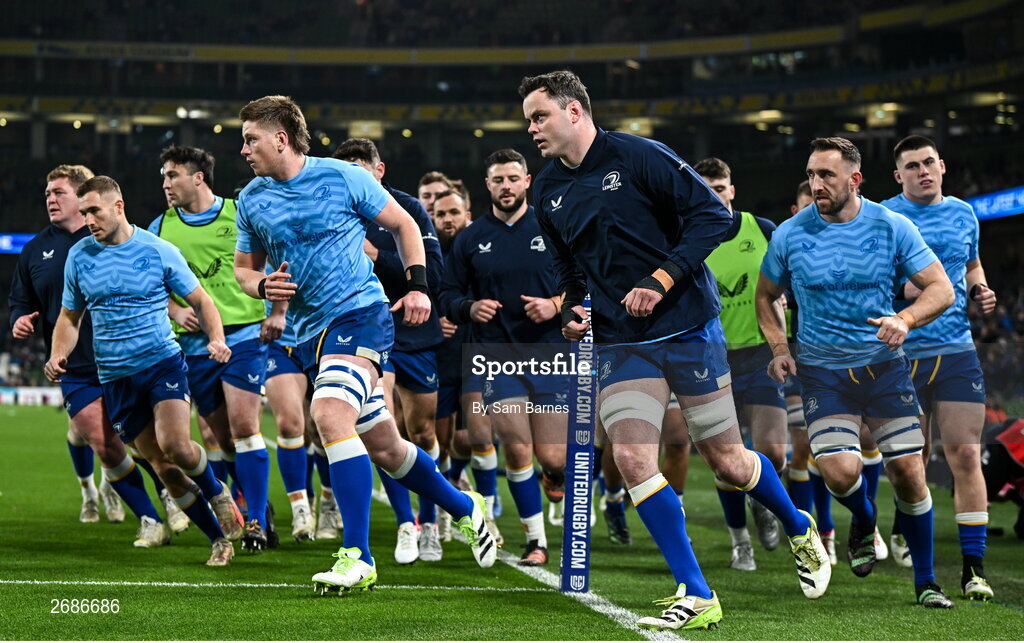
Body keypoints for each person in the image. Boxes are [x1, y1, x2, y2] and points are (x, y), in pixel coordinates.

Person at [521, 70, 830, 631]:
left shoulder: (641, 157)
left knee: (729, 463)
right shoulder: (545, 189)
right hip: (620, 342)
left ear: (574, 112)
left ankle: (799, 524)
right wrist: (572, 307)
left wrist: (661, 281)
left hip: (688, 328)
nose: (532, 128)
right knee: (634, 457)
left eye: (539, 116)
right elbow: (569, 265)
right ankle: (696, 590)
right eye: (528, 121)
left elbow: (714, 216)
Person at [232, 95, 496, 594]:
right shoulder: (252, 199)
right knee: (386, 446)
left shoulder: (343, 177)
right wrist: (262, 287)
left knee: (328, 416)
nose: (243, 149)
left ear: (281, 139)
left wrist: (418, 285)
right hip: (311, 333)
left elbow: (405, 225)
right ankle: (466, 508)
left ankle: (357, 556)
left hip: (361, 314)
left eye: (250, 139)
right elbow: (244, 270)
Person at [755, 136, 957, 608]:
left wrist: (904, 319)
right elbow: (765, 296)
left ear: (855, 179)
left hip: (884, 369)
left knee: (909, 472)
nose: (817, 183)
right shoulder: (790, 233)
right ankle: (863, 520)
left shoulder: (892, 225)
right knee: (840, 474)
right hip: (823, 374)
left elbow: (941, 289)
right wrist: (780, 346)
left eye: (827, 175)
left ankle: (926, 582)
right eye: (811, 175)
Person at [44, 175, 243, 566]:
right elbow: (70, 317)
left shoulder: (158, 251)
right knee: (163, 467)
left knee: (176, 445)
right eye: (83, 213)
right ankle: (219, 539)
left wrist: (216, 339)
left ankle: (217, 490)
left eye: (95, 211)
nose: (88, 220)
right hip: (115, 377)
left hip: (161, 363)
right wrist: (57, 355)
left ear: (119, 206)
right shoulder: (80, 257)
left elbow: (202, 302)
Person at [8, 164, 171, 544]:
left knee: (146, 441)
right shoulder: (34, 251)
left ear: (84, 197)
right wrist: (19, 320)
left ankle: (170, 492)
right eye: (47, 193)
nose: (50, 198)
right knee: (103, 442)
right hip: (76, 367)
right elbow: (19, 301)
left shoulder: (116, 239)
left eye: (59, 192)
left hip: (127, 359)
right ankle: (149, 517)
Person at [439, 148, 569, 567]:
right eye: (498, 180)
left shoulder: (554, 227)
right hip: (496, 357)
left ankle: (553, 476)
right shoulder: (471, 238)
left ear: (527, 181)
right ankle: (536, 541)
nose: (506, 186)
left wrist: (555, 304)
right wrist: (468, 309)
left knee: (553, 457)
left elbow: (586, 282)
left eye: (513, 178)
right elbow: (447, 294)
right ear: (487, 185)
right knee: (516, 447)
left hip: (549, 355)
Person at [881, 135, 997, 600]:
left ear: (943, 166)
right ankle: (903, 536)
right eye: (912, 166)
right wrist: (898, 293)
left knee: (966, 455)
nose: (922, 171)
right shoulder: (883, 216)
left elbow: (970, 264)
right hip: (901, 354)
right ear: (898, 176)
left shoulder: (964, 213)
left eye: (929, 162)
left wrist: (980, 289)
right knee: (912, 461)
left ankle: (974, 569)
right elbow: (863, 281)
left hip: (955, 349)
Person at [150, 146, 278, 550]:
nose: (166, 184)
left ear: (198, 177)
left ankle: (255, 520)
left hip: (243, 335)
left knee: (245, 427)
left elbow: (274, 262)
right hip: (192, 346)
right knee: (222, 440)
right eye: (164, 176)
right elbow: (148, 283)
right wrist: (173, 307)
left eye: (173, 175)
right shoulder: (159, 228)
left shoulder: (238, 213)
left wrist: (278, 312)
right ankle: (256, 504)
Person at [333, 137, 447, 563]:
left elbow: (432, 274)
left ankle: (431, 519)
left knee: (423, 431)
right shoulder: (334, 210)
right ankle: (406, 524)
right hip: (368, 334)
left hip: (415, 331)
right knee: (384, 427)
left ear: (378, 172)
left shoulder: (408, 211)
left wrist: (377, 254)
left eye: (360, 170)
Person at [693, 157, 789, 571]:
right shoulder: (690, 239)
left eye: (720, 187)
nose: (715, 194)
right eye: (706, 188)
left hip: (761, 356)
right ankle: (740, 542)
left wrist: (787, 300)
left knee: (773, 452)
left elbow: (788, 276)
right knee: (723, 458)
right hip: (714, 361)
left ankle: (763, 502)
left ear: (732, 190)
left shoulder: (762, 230)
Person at [430, 188, 501, 545]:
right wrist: (434, 321)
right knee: (442, 443)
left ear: (467, 212)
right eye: (440, 214)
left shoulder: (483, 247)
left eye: (453, 213)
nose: (447, 220)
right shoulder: (427, 252)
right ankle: (448, 507)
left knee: (477, 436)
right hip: (440, 359)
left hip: (478, 355)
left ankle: (485, 514)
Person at [781, 180, 839, 564]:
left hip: (835, 355)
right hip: (795, 355)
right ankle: (815, 531)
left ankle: (852, 524)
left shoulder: (840, 246)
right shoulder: (782, 247)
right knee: (802, 446)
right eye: (805, 207)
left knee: (834, 447)